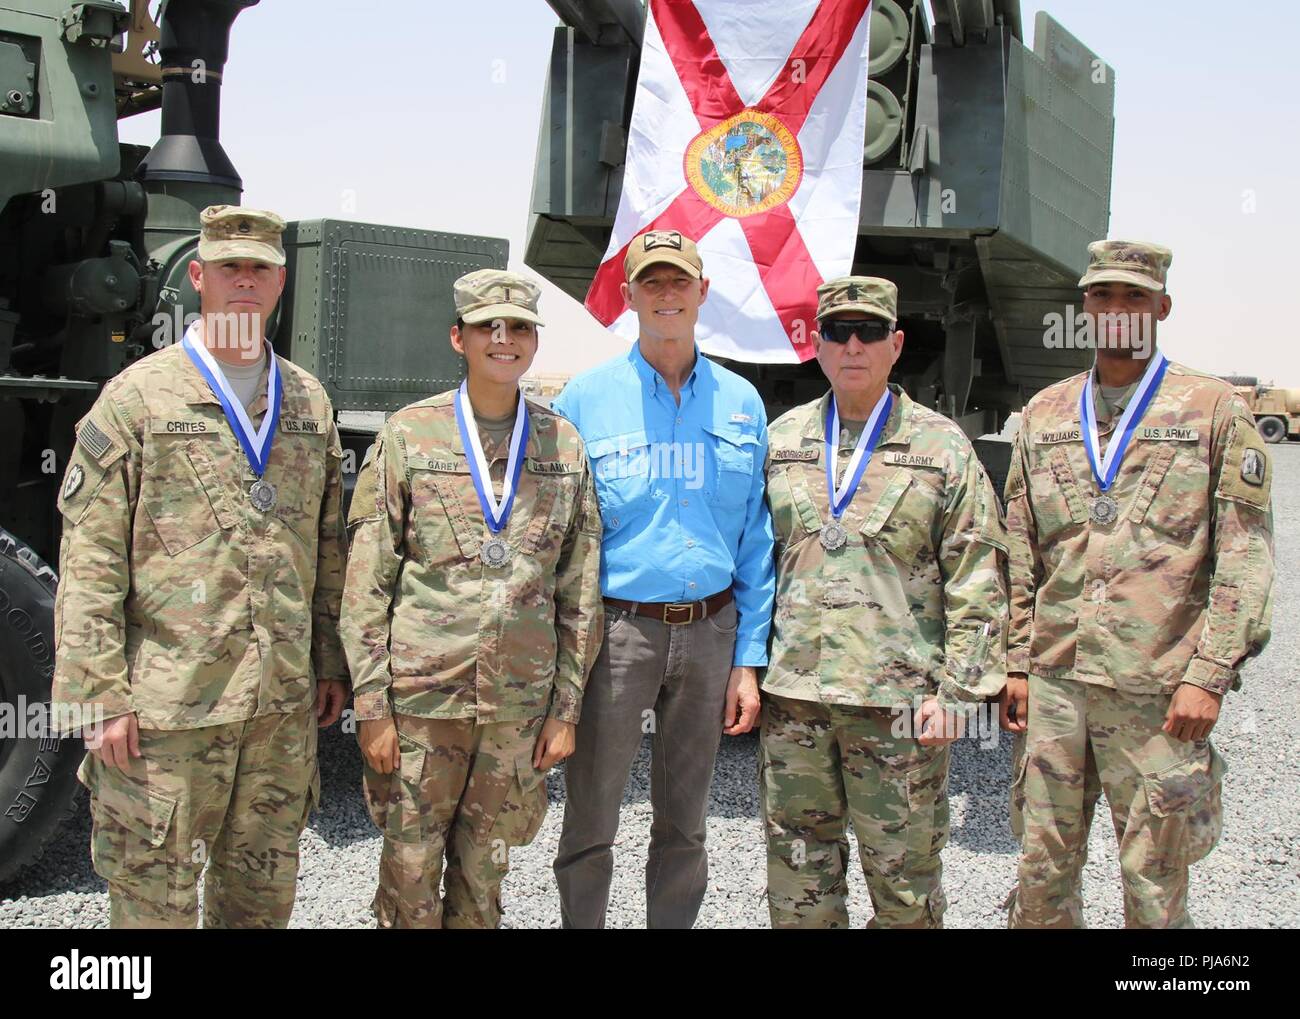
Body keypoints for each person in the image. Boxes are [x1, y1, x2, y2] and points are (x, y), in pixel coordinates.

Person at [52, 205, 348, 928]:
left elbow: (327, 547)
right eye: (229, 267)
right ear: (198, 275)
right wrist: (99, 694)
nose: (245, 281)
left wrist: (330, 662)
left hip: (278, 712)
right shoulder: (138, 398)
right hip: (166, 713)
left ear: (281, 281)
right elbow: (90, 558)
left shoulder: (308, 400)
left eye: (260, 268)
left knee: (260, 903)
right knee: (153, 906)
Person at [999, 240, 1275, 928]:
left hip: (1157, 687)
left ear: (1162, 307)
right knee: (1041, 875)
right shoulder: (1044, 414)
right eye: (1103, 296)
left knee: (1153, 883)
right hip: (1057, 683)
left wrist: (1207, 675)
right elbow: (1019, 548)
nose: (1117, 310)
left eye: (1133, 297)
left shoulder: (1213, 410)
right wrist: (1015, 661)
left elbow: (1243, 555)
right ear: (1085, 307)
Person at [341, 268, 603, 928]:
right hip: (424, 702)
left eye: (519, 327)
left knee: (485, 875)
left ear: (534, 343)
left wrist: (565, 708)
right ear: (459, 337)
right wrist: (371, 705)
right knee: (409, 871)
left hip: (515, 706)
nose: (504, 339)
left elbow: (578, 589)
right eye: (489, 326)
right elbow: (368, 580)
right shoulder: (408, 435)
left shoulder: (563, 445)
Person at [760, 275, 1009, 928]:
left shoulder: (941, 446)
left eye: (869, 331)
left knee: (906, 887)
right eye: (838, 332)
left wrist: (959, 692)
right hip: (796, 698)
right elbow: (754, 563)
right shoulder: (780, 442)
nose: (853, 345)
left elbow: (978, 572)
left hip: (899, 706)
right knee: (798, 880)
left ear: (895, 344)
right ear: (817, 345)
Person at [549, 228, 776, 928]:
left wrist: (749, 658)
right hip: (617, 634)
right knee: (592, 816)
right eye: (652, 281)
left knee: (687, 821)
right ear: (630, 296)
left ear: (703, 292)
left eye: (680, 281)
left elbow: (755, 539)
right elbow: (560, 538)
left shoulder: (742, 403)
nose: (667, 293)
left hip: (711, 634)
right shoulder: (583, 401)